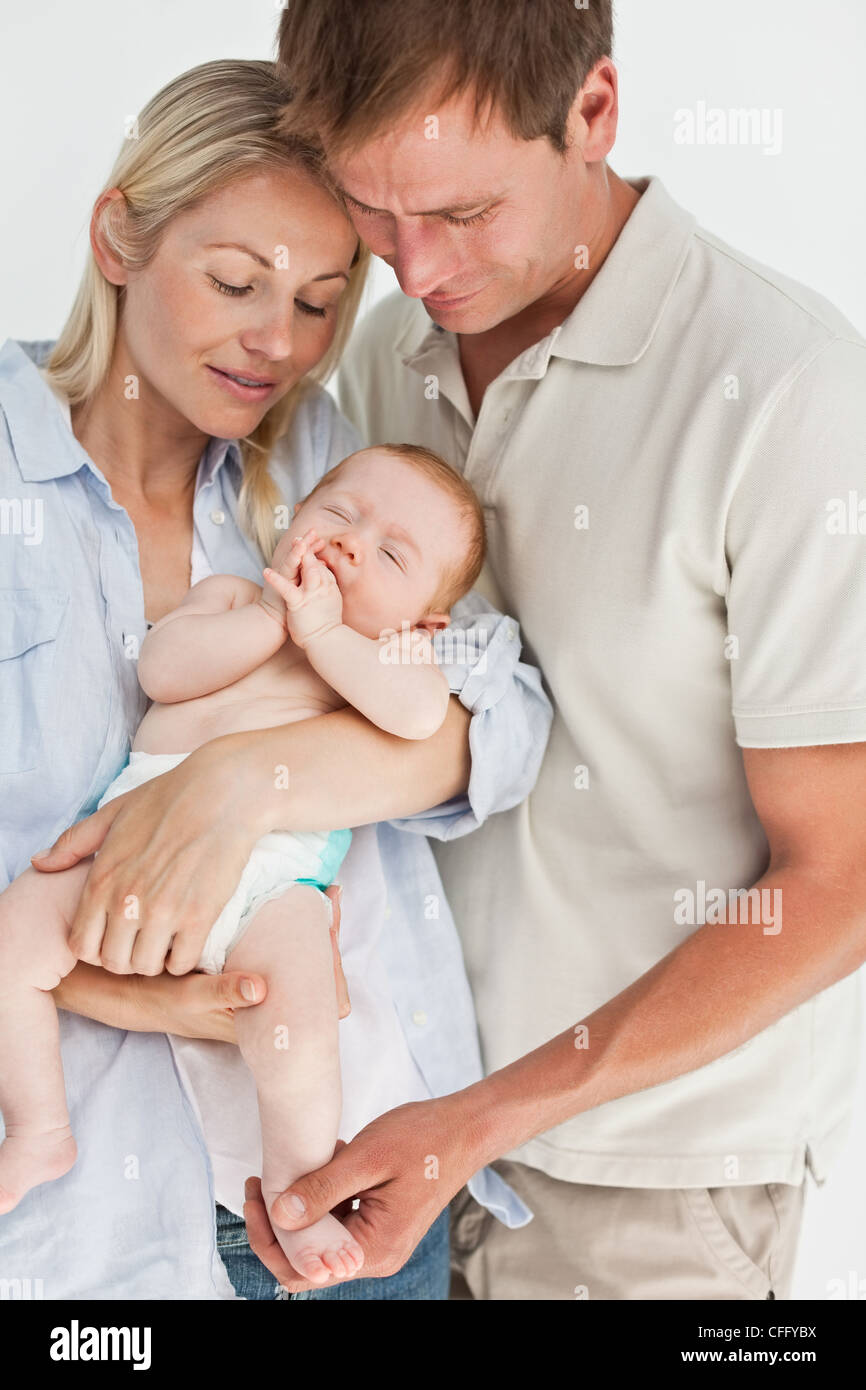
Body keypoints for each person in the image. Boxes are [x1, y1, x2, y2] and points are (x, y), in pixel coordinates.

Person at [256, 0, 866, 1299]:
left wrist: (483, 1117)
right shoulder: (378, 355)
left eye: (462, 214)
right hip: (374, 1137)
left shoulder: (791, 394)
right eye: (372, 209)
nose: (413, 269)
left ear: (592, 113)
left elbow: (842, 875)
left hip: (646, 1187)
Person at [0, 57, 551, 1299]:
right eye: (237, 282)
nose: (276, 344)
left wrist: (251, 784)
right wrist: (130, 994)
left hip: (346, 1181)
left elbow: (495, 713)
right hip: (90, 1235)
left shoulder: (319, 461)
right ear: (119, 237)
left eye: (317, 302)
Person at [0, 443, 486, 1287]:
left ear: (425, 623)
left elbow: (416, 720)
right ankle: (39, 1124)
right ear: (296, 519)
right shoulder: (230, 598)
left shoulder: (390, 662)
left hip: (275, 882)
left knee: (295, 1014)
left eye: (391, 555)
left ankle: (301, 1193)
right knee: (15, 936)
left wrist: (326, 635)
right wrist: (269, 620)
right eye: (338, 514)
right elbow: (162, 669)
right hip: (130, 845)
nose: (350, 544)